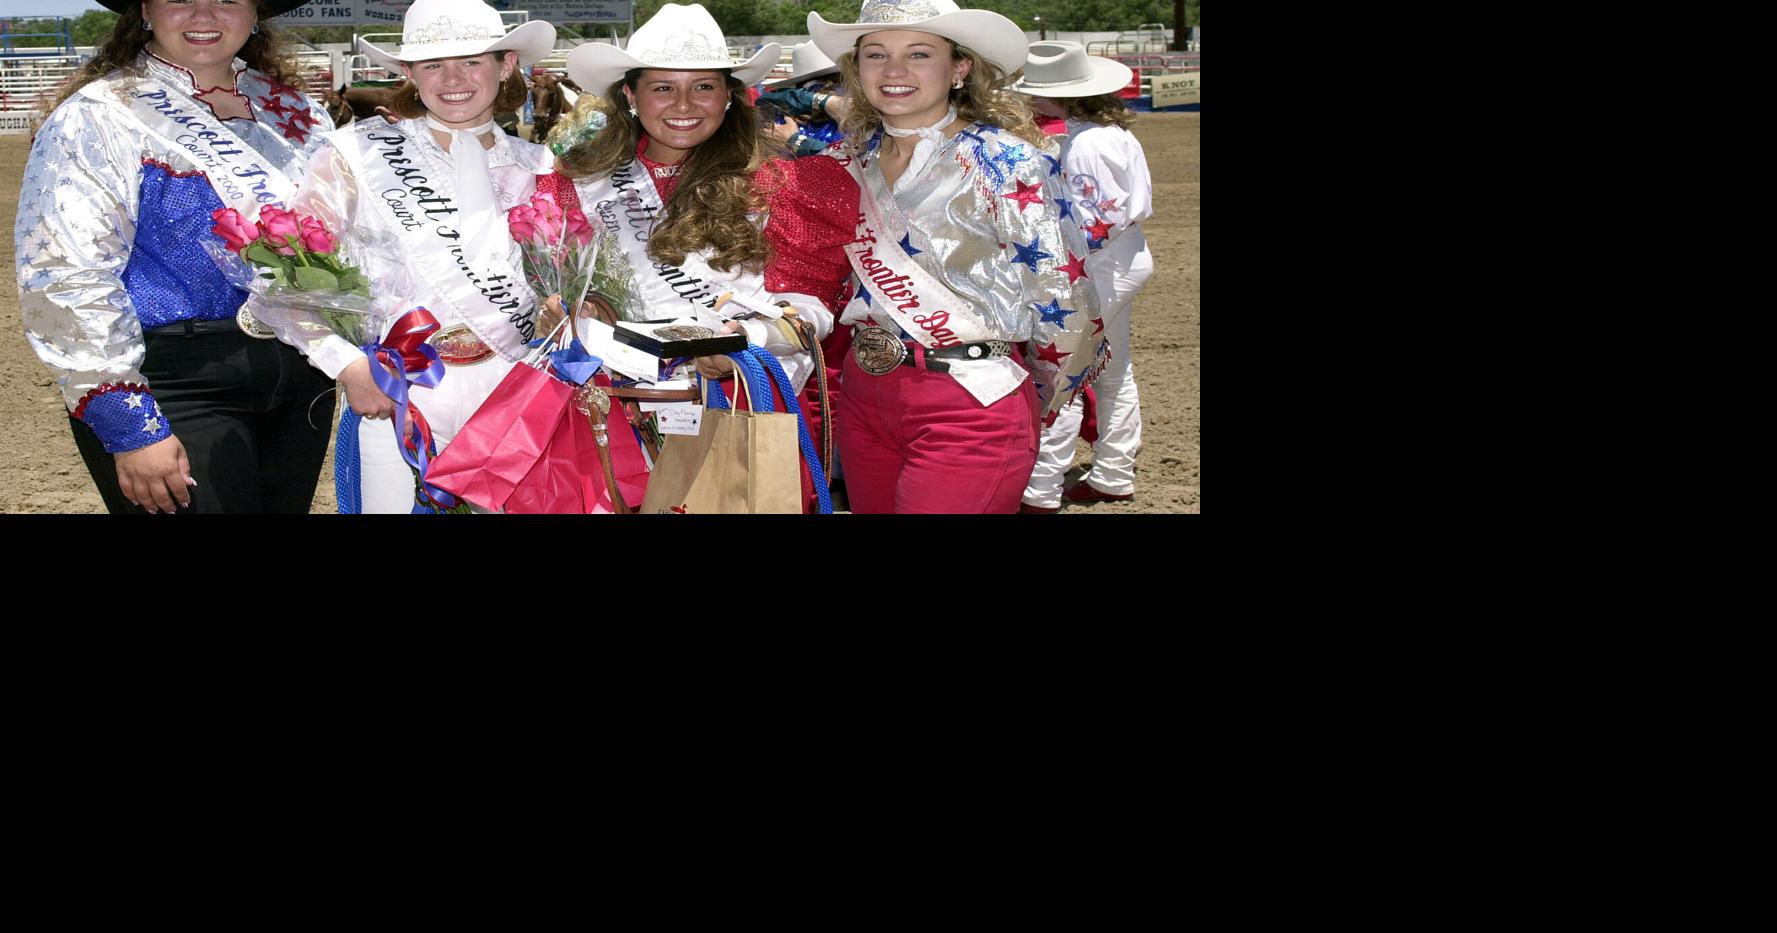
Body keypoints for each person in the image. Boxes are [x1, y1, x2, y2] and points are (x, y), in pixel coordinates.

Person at [14, 0, 337, 514]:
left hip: (301, 376)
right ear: (145, 10)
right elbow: (66, 273)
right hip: (172, 384)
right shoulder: (100, 114)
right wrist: (129, 422)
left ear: (254, 13)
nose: (204, 13)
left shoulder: (298, 114)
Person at [549, 2, 858, 513]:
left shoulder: (785, 186)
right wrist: (570, 312)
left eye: (704, 86)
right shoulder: (576, 185)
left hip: (737, 404)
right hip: (617, 415)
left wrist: (741, 342)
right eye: (663, 87)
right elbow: (559, 290)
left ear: (730, 96)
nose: (684, 103)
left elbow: (813, 312)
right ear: (631, 94)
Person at [248, 0, 557, 512]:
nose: (452, 78)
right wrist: (347, 364)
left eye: (472, 60)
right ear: (409, 73)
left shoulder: (540, 166)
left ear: (505, 66)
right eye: (433, 64)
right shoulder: (354, 154)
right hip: (399, 392)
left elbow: (566, 283)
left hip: (518, 387)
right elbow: (282, 279)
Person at [807, 0, 1105, 513]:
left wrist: (1027, 399)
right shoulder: (838, 166)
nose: (894, 70)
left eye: (919, 53)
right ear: (856, 70)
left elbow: (1066, 304)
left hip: (971, 402)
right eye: (876, 54)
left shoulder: (1009, 163)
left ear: (960, 67)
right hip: (862, 398)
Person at [1014, 41, 1153, 511]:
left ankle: (1040, 489)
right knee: (1113, 371)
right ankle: (1112, 473)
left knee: (1062, 375)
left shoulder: (1084, 144)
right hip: (1119, 261)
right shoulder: (1106, 134)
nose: (1028, 99)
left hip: (1096, 268)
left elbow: (1096, 220)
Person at [756, 41, 848, 158]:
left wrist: (796, 141)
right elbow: (763, 101)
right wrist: (823, 102)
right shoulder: (853, 108)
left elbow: (850, 160)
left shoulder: (785, 112)